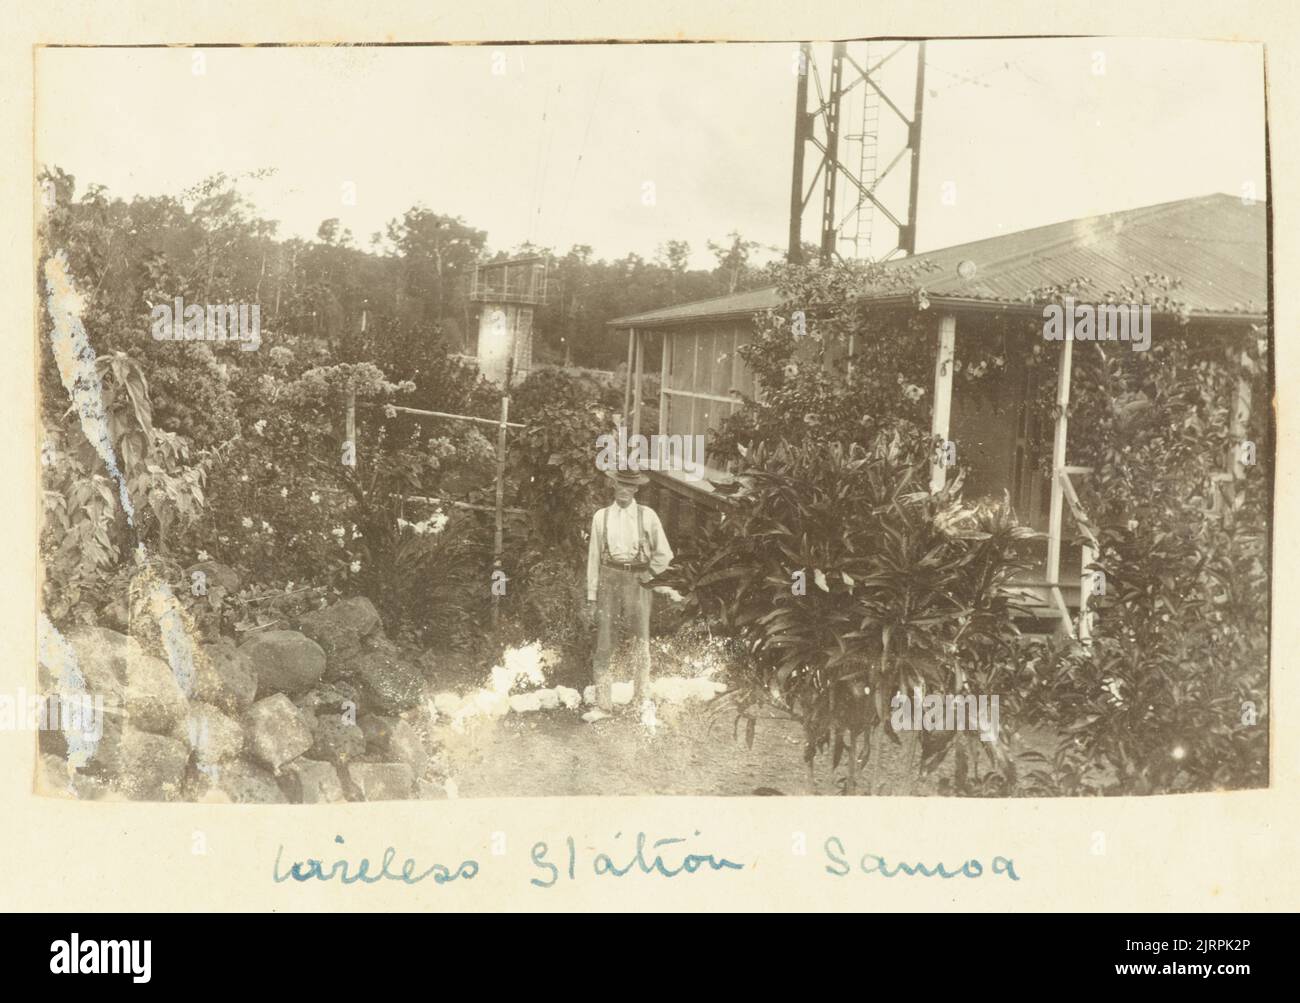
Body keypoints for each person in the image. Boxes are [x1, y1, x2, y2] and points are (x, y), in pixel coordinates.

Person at [583, 466, 673, 722]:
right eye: (620, 484)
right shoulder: (601, 517)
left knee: (640, 641)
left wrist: (649, 575)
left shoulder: (648, 516)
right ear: (613, 485)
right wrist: (591, 596)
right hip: (609, 579)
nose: (624, 490)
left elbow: (664, 554)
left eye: (629, 485)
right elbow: (593, 558)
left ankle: (640, 701)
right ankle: (603, 705)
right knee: (604, 641)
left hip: (639, 581)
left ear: (636, 488)